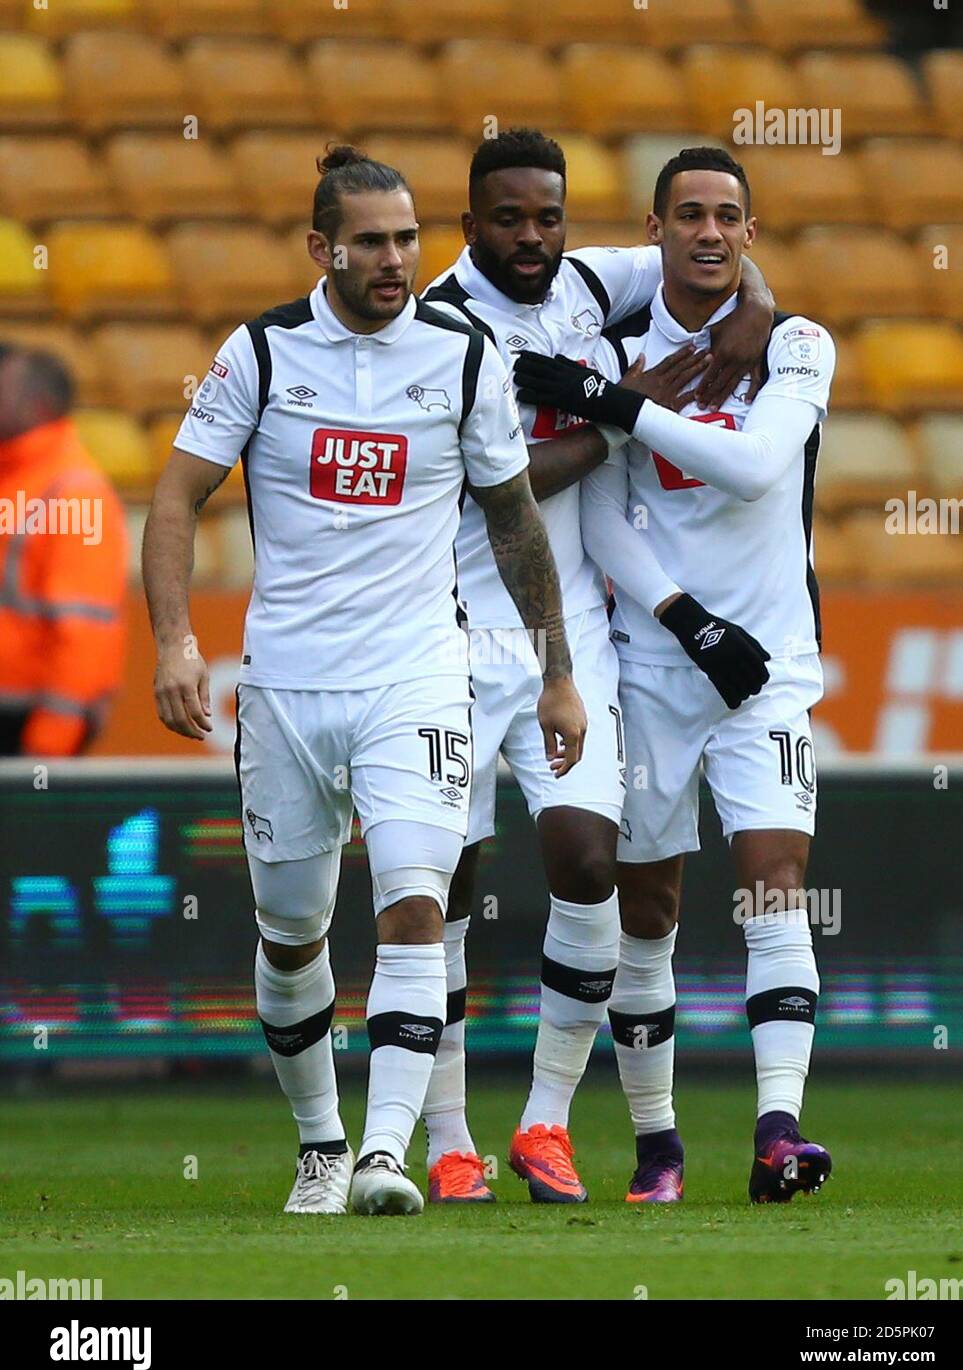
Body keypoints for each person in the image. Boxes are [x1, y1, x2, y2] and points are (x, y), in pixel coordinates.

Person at [142, 146, 586, 1217]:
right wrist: (174, 643)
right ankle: (321, 1144)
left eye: (407, 239)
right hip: (288, 688)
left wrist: (555, 672)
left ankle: (388, 1152)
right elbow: (172, 502)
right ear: (321, 247)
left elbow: (514, 516)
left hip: (417, 676)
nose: (395, 261)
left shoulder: (462, 354)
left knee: (414, 906)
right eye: (373, 241)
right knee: (292, 933)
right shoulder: (257, 353)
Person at [419, 129, 775, 1204]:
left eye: (549, 217)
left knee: (587, 861)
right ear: (470, 221)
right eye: (509, 219)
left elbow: (704, 257)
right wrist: (624, 417)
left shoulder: (581, 279)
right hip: (441, 632)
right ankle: (443, 1136)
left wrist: (755, 308)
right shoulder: (436, 320)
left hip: (568, 637)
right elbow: (502, 484)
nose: (532, 238)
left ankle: (543, 1123)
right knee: (443, 888)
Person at [513, 146, 836, 1205]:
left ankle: (778, 1128)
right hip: (654, 660)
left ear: (750, 233)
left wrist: (619, 404)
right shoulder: (618, 343)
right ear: (653, 232)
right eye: (687, 214)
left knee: (773, 880)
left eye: (726, 216)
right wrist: (683, 618)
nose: (707, 231)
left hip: (770, 670)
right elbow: (601, 508)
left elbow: (752, 465)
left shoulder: (792, 344)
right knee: (646, 903)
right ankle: (657, 1142)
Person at [0, 345, 127, 757]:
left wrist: (47, 746)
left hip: (24, 725)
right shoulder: (17, 478)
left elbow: (85, 629)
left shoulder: (73, 493)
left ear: (38, 406)